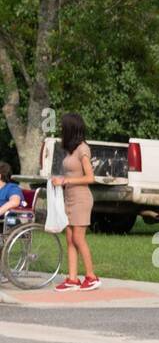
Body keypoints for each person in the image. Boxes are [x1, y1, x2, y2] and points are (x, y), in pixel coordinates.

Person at [50, 113, 100, 292]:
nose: (62, 130)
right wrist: (60, 179)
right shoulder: (70, 150)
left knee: (79, 238)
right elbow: (71, 174)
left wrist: (66, 181)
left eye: (64, 127)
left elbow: (90, 177)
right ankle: (72, 279)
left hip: (81, 199)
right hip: (69, 198)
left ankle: (91, 276)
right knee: (70, 239)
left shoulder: (82, 149)